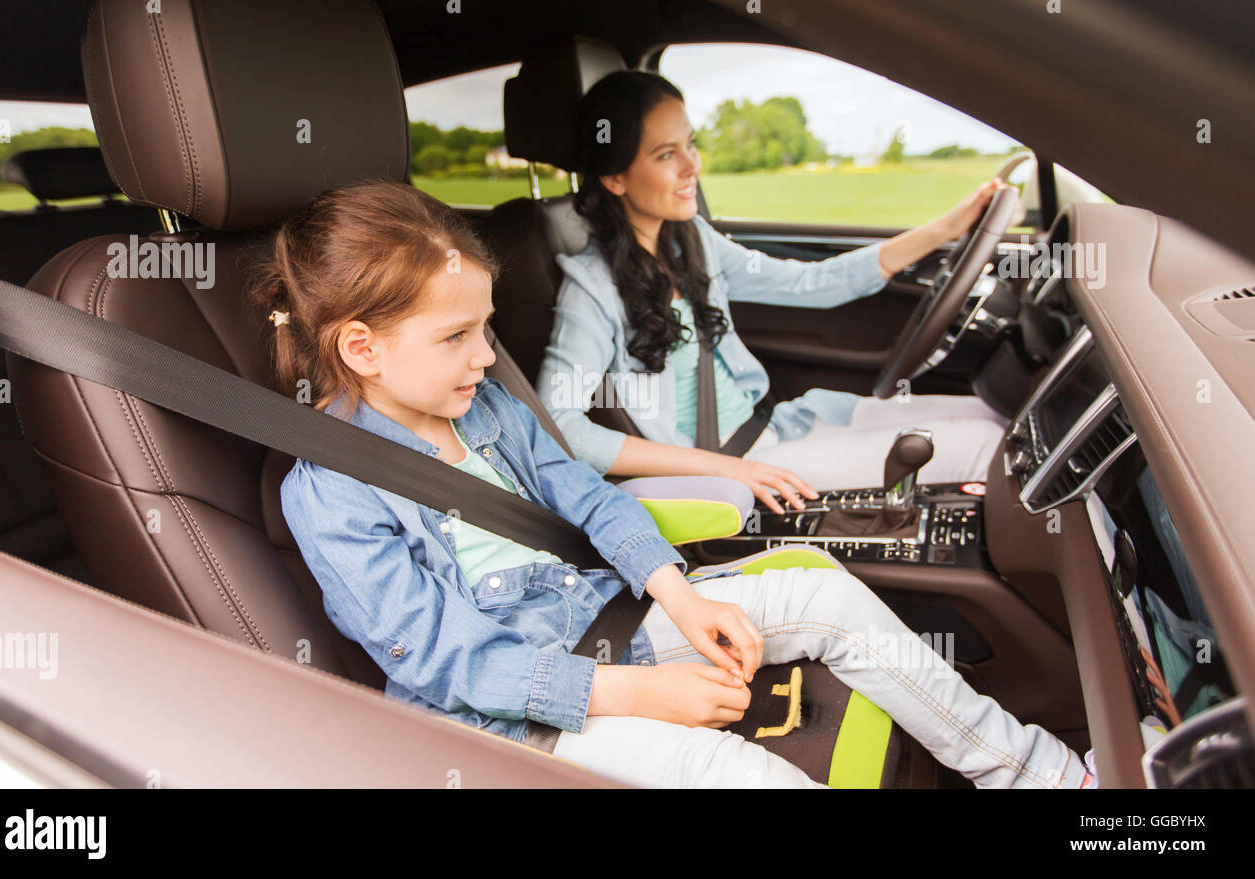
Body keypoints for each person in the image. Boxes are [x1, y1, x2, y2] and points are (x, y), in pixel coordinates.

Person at [257, 178, 1094, 788]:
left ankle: (1041, 776)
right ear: (363, 349)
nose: (486, 354)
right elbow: (447, 662)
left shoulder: (486, 412)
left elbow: (585, 494)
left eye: (487, 329)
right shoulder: (331, 491)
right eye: (457, 337)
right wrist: (638, 692)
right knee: (732, 771)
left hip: (596, 619)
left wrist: (680, 593)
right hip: (510, 716)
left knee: (824, 594)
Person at [536, 70, 1011, 514]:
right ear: (614, 177)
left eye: (691, 145)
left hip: (777, 427)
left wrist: (947, 228)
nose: (692, 166)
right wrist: (728, 468)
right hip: (730, 469)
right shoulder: (592, 288)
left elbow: (810, 283)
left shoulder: (691, 241)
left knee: (992, 413)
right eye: (666, 155)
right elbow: (559, 426)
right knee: (989, 448)